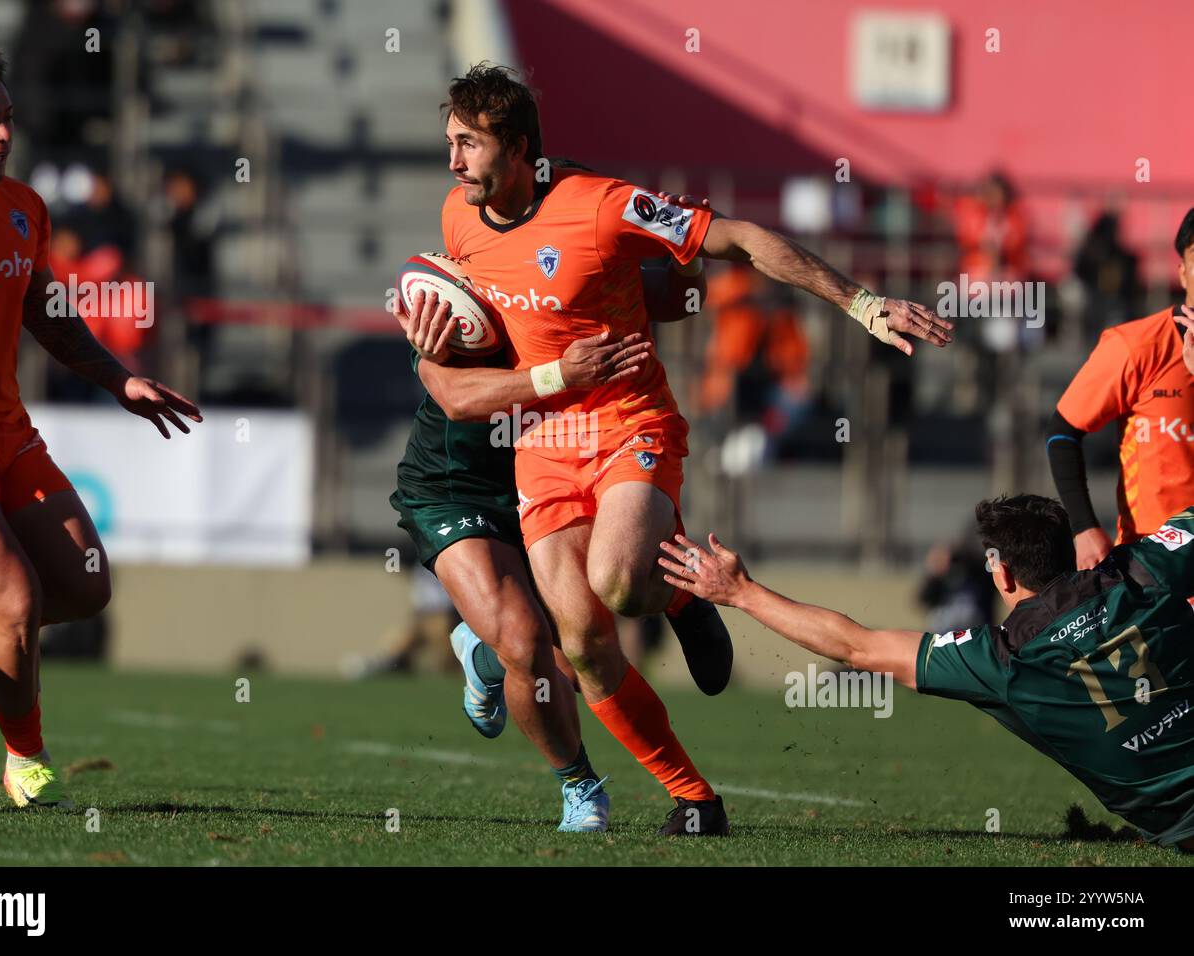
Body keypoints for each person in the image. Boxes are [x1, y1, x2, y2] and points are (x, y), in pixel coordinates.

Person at [419, 63, 950, 834]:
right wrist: (434, 335)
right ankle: (694, 798)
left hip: (630, 421)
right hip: (539, 440)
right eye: (450, 143)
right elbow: (492, 326)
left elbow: (734, 239)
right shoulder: (456, 220)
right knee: (583, 639)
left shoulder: (600, 204)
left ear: (519, 147)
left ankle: (676, 595)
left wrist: (860, 302)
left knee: (619, 582)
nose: (454, 160)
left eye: (468, 144)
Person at [0, 42, 201, 808]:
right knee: (19, 600)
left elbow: (53, 318)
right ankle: (25, 758)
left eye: (8, 122)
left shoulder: (24, 208)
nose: (3, 137)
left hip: (9, 433)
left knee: (88, 588)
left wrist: (118, 377)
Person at [390, 206, 706, 833]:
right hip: (454, 490)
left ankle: (480, 657)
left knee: (586, 624)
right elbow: (456, 397)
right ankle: (580, 787)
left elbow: (680, 296)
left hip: (548, 471)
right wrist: (562, 371)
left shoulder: (567, 280)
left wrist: (692, 247)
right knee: (527, 645)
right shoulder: (448, 306)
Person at [659, 494, 1194, 851]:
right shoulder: (1141, 568)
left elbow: (856, 647)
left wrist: (741, 593)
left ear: (1002, 573)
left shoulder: (1003, 660)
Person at [1048, 208, 1194, 570]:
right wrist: (1084, 527)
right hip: (1154, 566)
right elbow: (1063, 431)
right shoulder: (1136, 346)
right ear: (1183, 272)